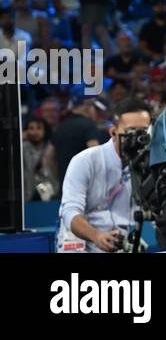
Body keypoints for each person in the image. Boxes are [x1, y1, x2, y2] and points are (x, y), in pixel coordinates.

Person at [56, 98, 152, 252]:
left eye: (143, 131)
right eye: (131, 131)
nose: (137, 138)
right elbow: (70, 212)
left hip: (121, 244)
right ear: (113, 132)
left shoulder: (148, 165)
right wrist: (97, 236)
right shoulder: (85, 161)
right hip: (80, 246)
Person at [22, 116, 60, 201]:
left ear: (45, 131)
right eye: (31, 128)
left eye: (39, 128)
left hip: (51, 194)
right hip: (27, 196)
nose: (35, 132)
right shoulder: (22, 148)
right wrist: (19, 138)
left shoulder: (51, 148)